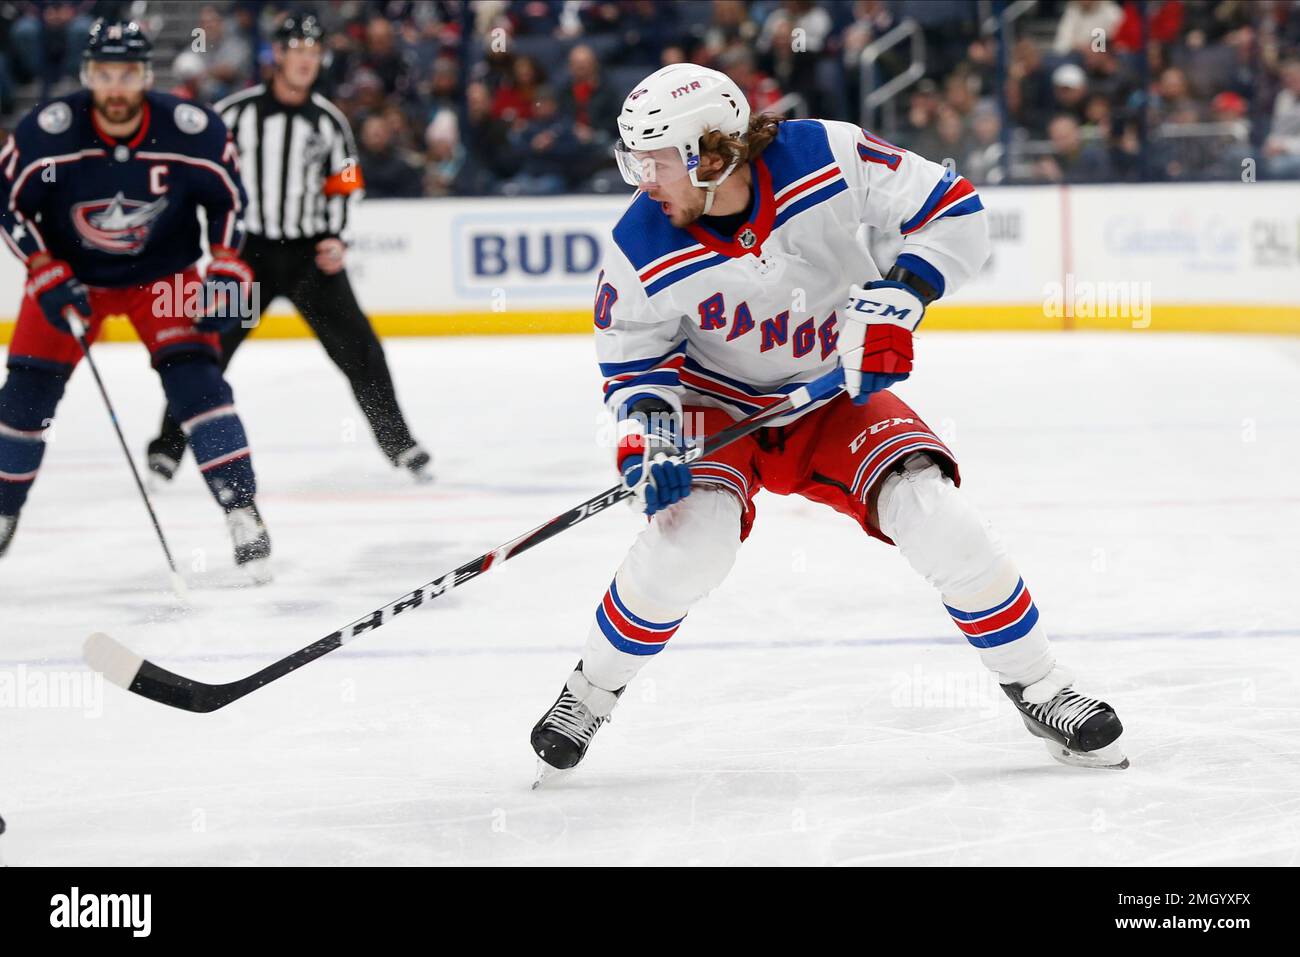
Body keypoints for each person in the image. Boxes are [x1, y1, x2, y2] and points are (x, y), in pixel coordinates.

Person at [529, 64, 1128, 782]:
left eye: (653, 162)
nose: (642, 181)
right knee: (691, 546)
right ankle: (589, 692)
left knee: (938, 514)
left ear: (711, 155)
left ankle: (1040, 686)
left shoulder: (826, 155)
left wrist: (898, 300)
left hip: (828, 394)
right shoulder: (639, 244)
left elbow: (955, 210)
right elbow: (633, 362)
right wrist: (650, 440)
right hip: (714, 403)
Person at [0, 19, 271, 580]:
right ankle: (3, 512)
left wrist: (225, 262)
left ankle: (242, 511)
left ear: (147, 75)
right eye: (105, 73)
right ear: (87, 75)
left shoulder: (190, 129)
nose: (116, 86)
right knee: (25, 397)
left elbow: (229, 201)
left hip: (164, 277)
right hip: (72, 278)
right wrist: (43, 267)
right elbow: (8, 205)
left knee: (199, 386)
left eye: (127, 73)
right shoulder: (46, 132)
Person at [145, 14, 432, 485]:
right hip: (247, 257)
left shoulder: (329, 120)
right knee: (206, 349)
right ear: (277, 55)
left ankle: (399, 444)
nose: (305, 60)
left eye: (313, 52)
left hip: (308, 256)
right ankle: (168, 448)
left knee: (362, 351)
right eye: (296, 50)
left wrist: (336, 237)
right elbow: (203, 173)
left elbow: (345, 183)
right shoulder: (235, 113)